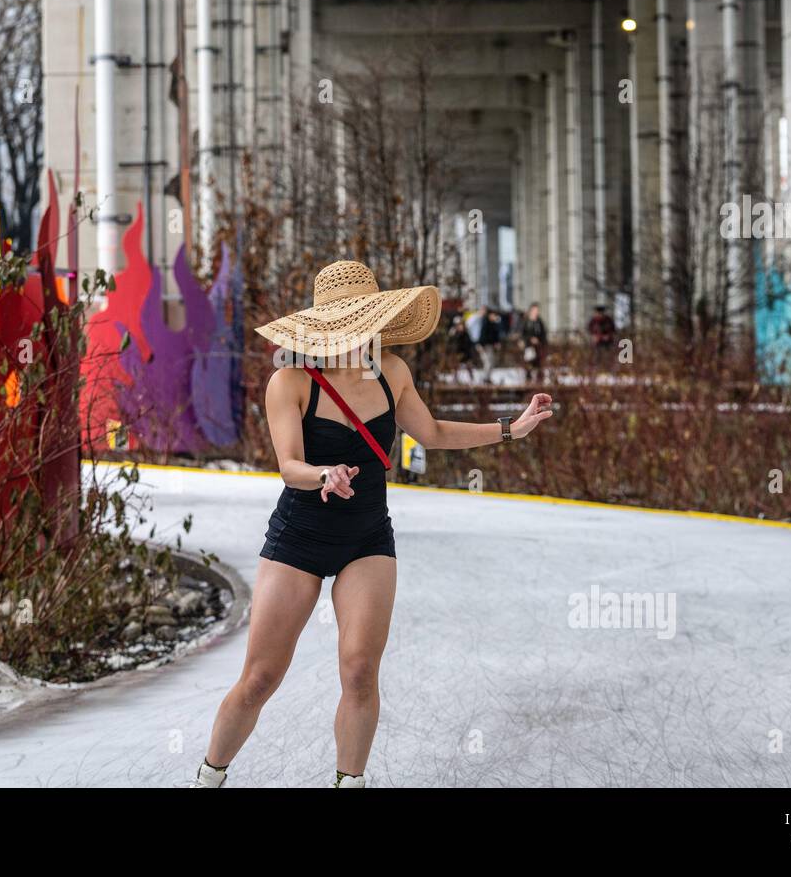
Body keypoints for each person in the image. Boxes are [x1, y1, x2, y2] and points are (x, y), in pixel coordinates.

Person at [189, 261, 553, 788]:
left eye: (367, 319)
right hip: (299, 537)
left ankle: (349, 783)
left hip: (366, 538)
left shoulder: (392, 373)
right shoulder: (289, 381)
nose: (360, 331)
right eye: (349, 320)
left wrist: (510, 429)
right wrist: (322, 474)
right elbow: (288, 464)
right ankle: (209, 776)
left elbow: (430, 433)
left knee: (360, 670)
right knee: (260, 678)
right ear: (324, 325)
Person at [520, 303, 547, 384]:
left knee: (538, 363)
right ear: (531, 310)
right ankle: (528, 379)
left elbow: (543, 333)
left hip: (538, 346)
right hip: (529, 346)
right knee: (529, 362)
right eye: (535, 310)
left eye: (537, 310)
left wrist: (542, 342)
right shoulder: (526, 321)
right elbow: (523, 334)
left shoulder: (539, 321)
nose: (536, 312)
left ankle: (539, 380)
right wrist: (530, 339)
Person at [475, 305, 501, 383]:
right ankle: (485, 378)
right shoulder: (485, 322)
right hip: (483, 345)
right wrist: (481, 345)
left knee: (491, 362)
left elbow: (495, 336)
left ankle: (487, 377)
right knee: (488, 362)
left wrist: (496, 342)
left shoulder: (493, 324)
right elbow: (482, 335)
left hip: (489, 346)